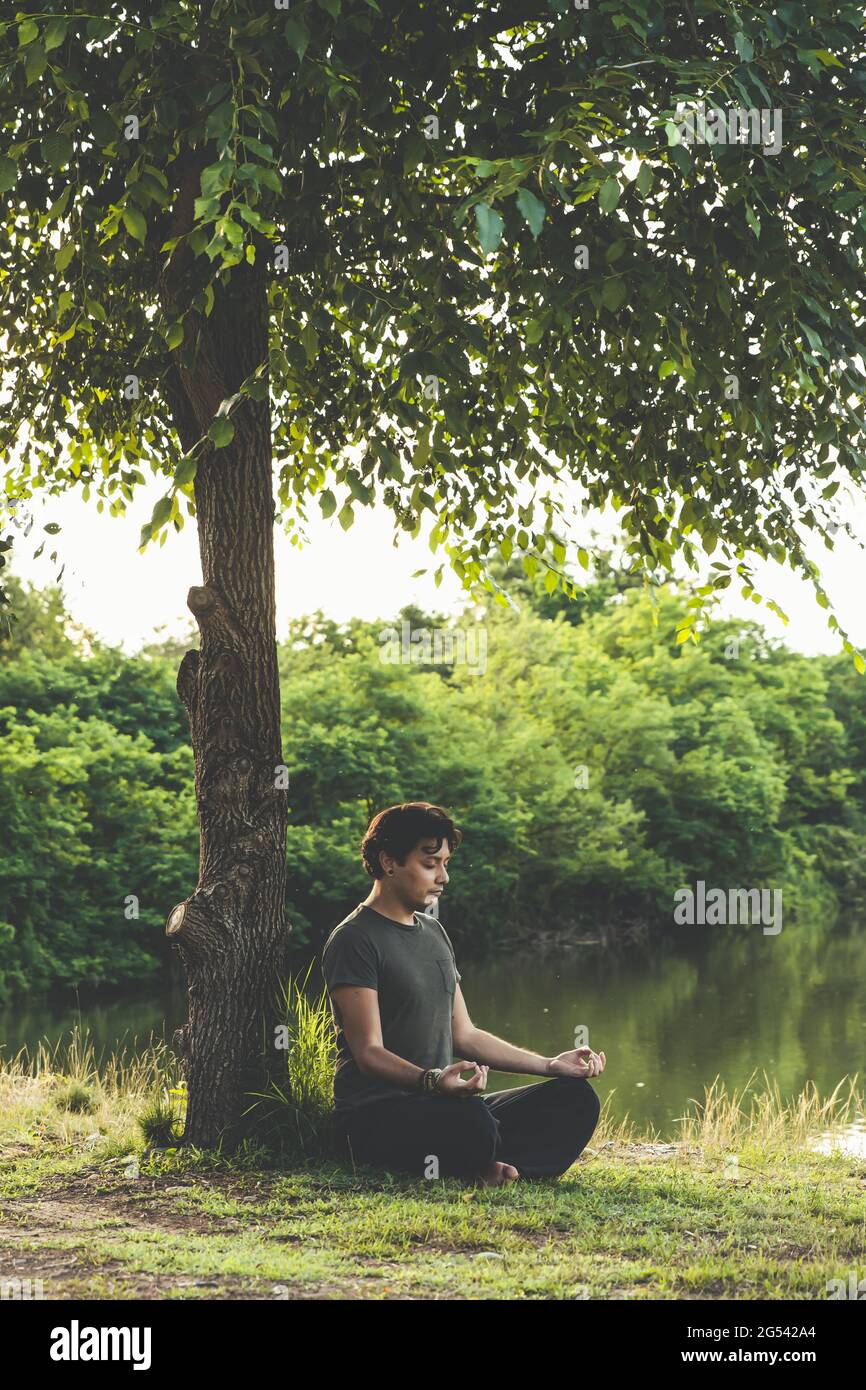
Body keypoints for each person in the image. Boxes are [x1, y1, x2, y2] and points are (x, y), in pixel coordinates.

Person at [320, 801, 605, 1186]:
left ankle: (503, 1169)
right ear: (389, 862)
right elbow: (369, 1053)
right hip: (377, 1116)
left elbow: (464, 1035)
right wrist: (433, 1080)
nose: (443, 877)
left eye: (446, 863)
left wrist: (551, 1064)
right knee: (473, 1122)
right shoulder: (354, 939)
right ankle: (484, 1162)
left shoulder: (434, 933)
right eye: (430, 863)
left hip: (441, 1108)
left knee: (574, 1099)